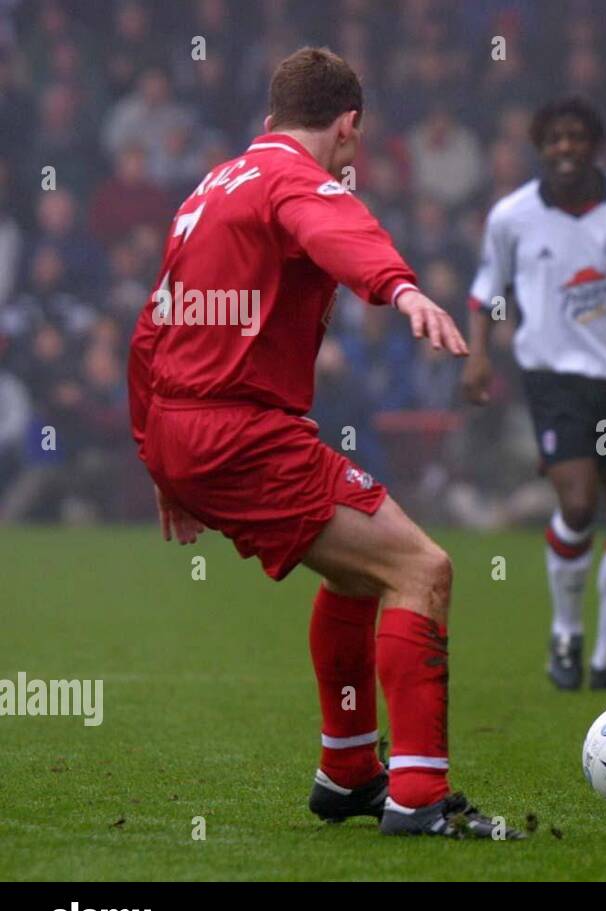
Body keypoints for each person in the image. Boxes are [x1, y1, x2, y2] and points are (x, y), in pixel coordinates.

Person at [127, 47, 521, 840]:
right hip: (240, 432)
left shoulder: (212, 185)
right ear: (349, 126)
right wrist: (401, 288)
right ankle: (418, 797)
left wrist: (157, 459)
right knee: (423, 568)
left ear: (271, 119)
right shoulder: (297, 181)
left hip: (183, 423)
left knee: (357, 573)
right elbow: (336, 228)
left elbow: (151, 328)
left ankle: (346, 772)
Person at [461, 96, 606, 694]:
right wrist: (478, 353)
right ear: (540, 146)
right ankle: (565, 636)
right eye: (554, 138)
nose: (565, 147)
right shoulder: (512, 216)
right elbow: (486, 289)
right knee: (579, 505)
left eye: (576, 137)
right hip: (554, 377)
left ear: (595, 145)